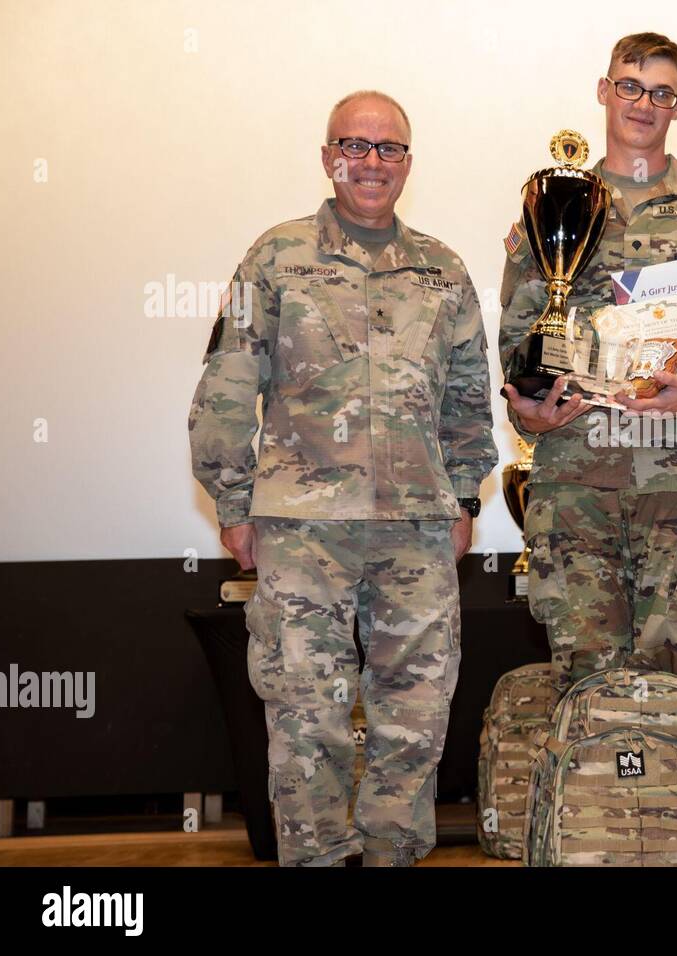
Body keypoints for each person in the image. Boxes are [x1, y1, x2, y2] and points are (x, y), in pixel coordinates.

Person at [188, 90, 496, 866]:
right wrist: (233, 502)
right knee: (305, 718)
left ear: (407, 165)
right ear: (329, 158)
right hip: (302, 532)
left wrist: (463, 496)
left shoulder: (442, 270)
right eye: (354, 146)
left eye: (388, 148)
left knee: (414, 720)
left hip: (417, 534)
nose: (371, 162)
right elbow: (227, 385)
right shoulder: (277, 257)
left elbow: (467, 398)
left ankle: (392, 856)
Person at [498, 32, 677, 693]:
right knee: (583, 679)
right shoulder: (555, 202)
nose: (642, 104)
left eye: (660, 93)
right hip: (574, 478)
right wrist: (531, 412)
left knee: (671, 680)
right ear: (604, 91)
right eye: (629, 86)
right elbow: (520, 330)